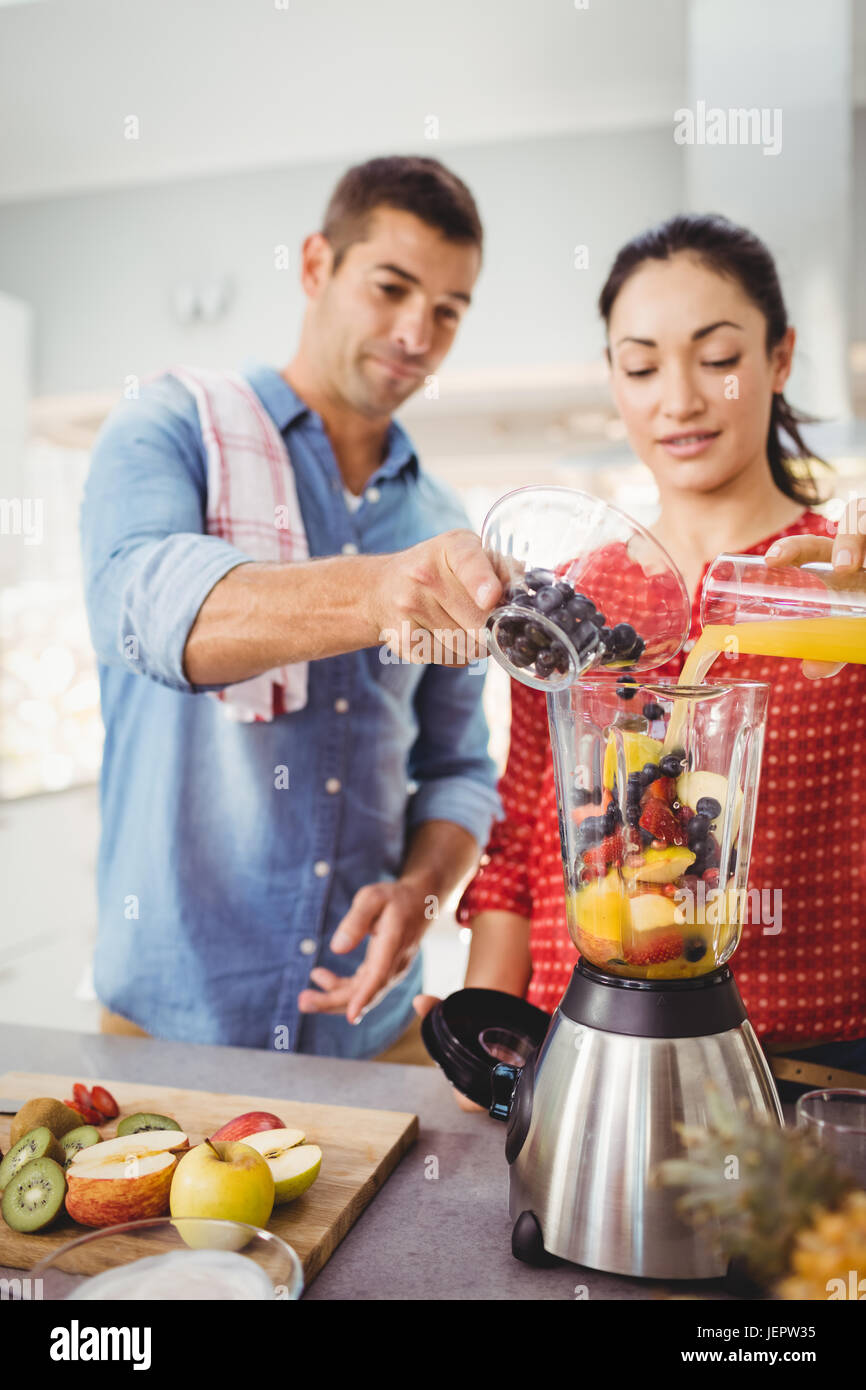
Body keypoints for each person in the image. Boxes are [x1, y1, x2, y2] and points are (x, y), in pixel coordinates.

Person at [426, 213, 866, 1104]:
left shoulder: (841, 583)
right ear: (614, 382)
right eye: (641, 365)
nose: (679, 399)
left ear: (780, 360)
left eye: (718, 357)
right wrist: (486, 1047)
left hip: (812, 1074)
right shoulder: (567, 605)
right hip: (578, 1057)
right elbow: (520, 844)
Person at [80, 155, 505, 1060]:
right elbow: (147, 612)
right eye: (391, 287)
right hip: (169, 1036)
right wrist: (377, 591)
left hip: (371, 1033)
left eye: (447, 312)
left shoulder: (439, 519)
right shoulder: (172, 427)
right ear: (317, 265)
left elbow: (460, 767)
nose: (415, 332)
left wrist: (423, 892)